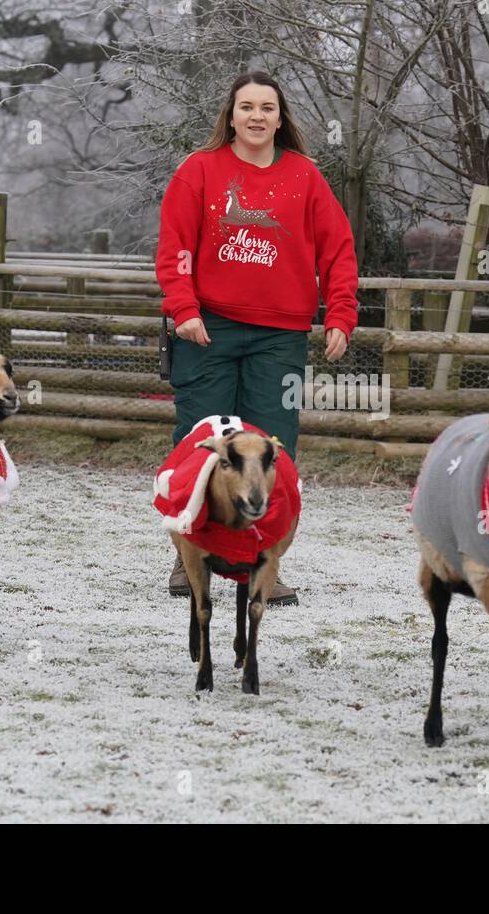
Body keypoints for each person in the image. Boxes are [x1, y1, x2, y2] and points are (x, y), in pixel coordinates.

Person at [154, 70, 359, 605]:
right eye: (247, 106)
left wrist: (340, 313)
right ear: (230, 115)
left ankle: (264, 563)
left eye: (267, 107)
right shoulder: (199, 172)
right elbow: (175, 248)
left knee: (274, 450)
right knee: (201, 444)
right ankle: (189, 557)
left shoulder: (305, 177)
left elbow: (337, 250)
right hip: (207, 332)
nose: (257, 116)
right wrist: (183, 308)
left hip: (281, 336)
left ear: (280, 117)